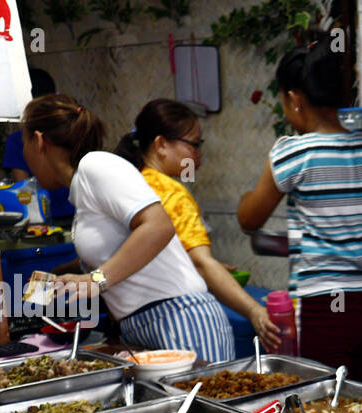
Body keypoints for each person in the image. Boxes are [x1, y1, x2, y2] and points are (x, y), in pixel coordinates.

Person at [237, 40, 362, 380]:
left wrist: (244, 198)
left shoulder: (293, 154)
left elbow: (249, 220)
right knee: (360, 400)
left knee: (323, 407)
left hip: (323, 307)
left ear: (295, 99)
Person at [20, 94, 236, 361]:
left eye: (23, 143)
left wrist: (95, 280)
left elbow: (158, 227)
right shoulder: (81, 190)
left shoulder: (96, 165)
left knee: (200, 403)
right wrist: (62, 275)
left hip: (179, 318)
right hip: (146, 327)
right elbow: (116, 253)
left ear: (39, 141)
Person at [114, 99, 280, 350]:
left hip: (135, 324)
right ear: (161, 145)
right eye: (194, 144)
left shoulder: (130, 184)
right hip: (187, 321)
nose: (199, 154)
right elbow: (203, 263)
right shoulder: (173, 194)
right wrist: (254, 311)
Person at [3, 69, 76, 220]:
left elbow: (23, 188)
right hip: (75, 212)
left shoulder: (19, 140)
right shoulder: (70, 129)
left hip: (41, 217)